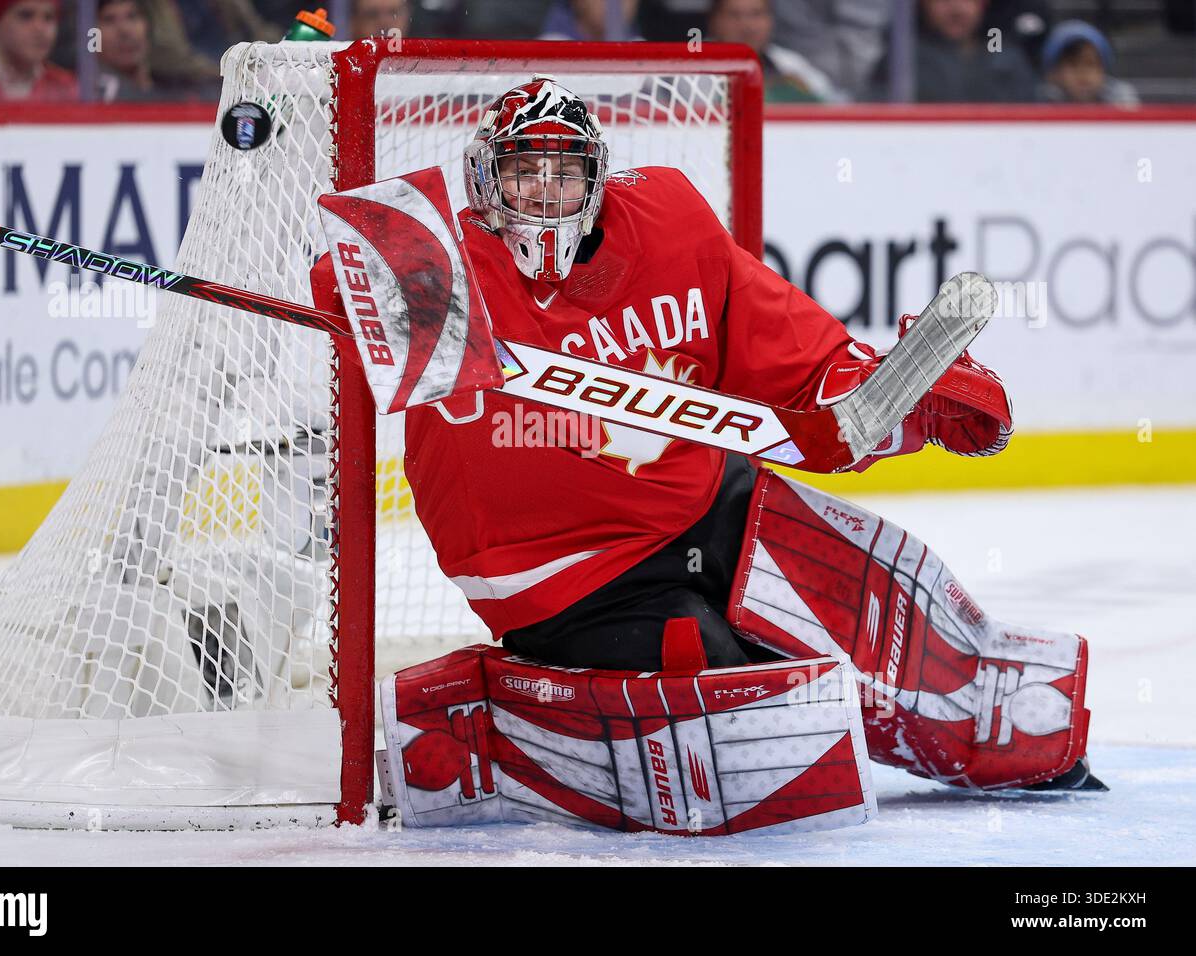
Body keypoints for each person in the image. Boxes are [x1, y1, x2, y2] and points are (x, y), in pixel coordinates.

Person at [312, 76, 1099, 792]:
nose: (545, 193)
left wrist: (898, 402)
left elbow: (793, 359)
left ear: (597, 176)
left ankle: (1027, 744)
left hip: (705, 504)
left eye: (564, 172)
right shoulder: (436, 266)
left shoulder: (668, 221)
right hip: (559, 577)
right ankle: (488, 725)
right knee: (742, 716)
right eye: (524, 172)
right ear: (487, 182)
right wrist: (377, 285)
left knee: (871, 595)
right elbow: (330, 279)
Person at [708, 0, 842, 103]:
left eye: (756, 14)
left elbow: (836, 102)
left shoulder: (791, 65)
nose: (747, 26)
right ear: (714, 21)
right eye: (734, 15)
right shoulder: (692, 67)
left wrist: (803, 93)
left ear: (771, 20)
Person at [909, 0, 1038, 103]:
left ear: (984, 3)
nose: (956, 9)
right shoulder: (904, 61)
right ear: (923, 3)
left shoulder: (1007, 59)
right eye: (943, 0)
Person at [1038, 19, 1140, 106]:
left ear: (1103, 69)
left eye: (1090, 64)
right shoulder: (1041, 103)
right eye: (1073, 65)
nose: (1082, 72)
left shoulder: (1120, 102)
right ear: (1054, 73)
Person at [95, 0, 161, 102]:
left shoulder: (180, 91)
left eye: (132, 16)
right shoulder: (86, 99)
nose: (125, 30)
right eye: (109, 20)